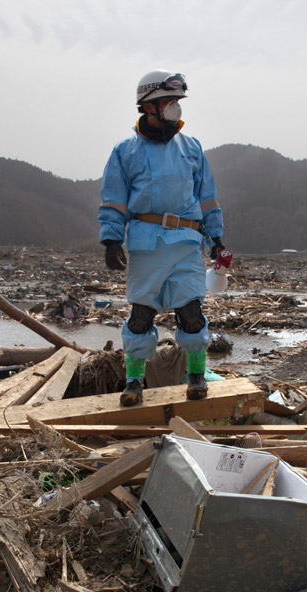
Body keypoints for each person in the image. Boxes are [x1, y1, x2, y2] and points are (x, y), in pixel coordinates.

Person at [98, 70, 230, 406]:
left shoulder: (191, 148)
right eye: (168, 103)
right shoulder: (126, 152)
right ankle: (134, 382)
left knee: (191, 312)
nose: (175, 109)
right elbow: (114, 200)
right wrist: (111, 239)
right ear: (148, 107)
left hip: (187, 242)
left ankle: (197, 377)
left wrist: (216, 238)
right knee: (141, 316)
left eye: (177, 103)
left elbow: (207, 198)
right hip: (145, 243)